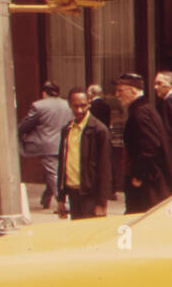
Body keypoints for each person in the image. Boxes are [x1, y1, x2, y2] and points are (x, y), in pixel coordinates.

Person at [114, 72, 172, 214]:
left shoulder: (140, 113)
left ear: (133, 90)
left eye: (120, 91)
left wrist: (138, 176)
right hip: (148, 182)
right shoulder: (143, 109)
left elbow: (150, 147)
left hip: (147, 185)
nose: (117, 95)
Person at [57, 87, 112, 219]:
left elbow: (105, 168)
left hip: (90, 194)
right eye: (75, 106)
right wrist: (61, 198)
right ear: (69, 105)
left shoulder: (99, 130)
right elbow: (62, 164)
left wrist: (102, 202)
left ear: (89, 104)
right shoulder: (67, 130)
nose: (79, 110)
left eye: (83, 106)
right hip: (72, 192)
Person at [18, 81, 73, 212]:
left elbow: (26, 124)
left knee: (53, 174)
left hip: (47, 145)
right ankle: (46, 199)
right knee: (57, 172)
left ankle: (64, 204)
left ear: (44, 93)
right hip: (65, 142)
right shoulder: (67, 104)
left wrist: (20, 133)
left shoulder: (38, 106)